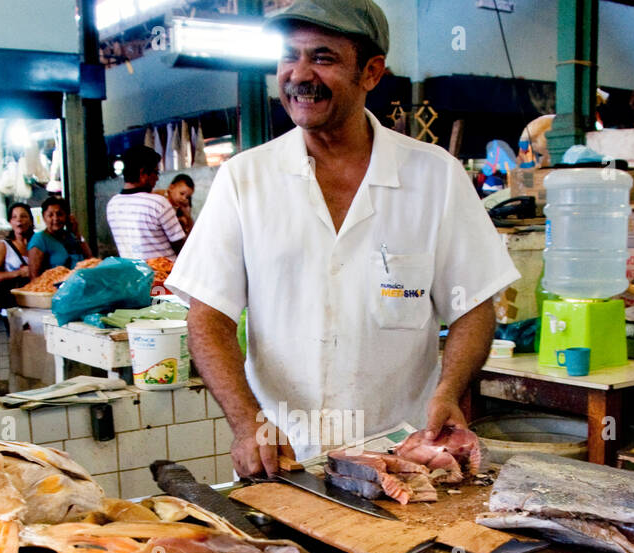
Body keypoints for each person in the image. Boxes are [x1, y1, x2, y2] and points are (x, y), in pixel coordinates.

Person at [165, 0, 518, 477]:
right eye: (289, 56)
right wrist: (249, 425)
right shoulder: (245, 180)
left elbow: (474, 307)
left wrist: (448, 392)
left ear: (371, 73)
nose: (299, 74)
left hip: (404, 458)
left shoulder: (435, 177)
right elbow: (207, 320)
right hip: (285, 460)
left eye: (323, 58)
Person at [106, 145, 186, 260]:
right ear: (143, 173)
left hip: (134, 274)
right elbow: (180, 246)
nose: (157, 179)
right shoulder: (158, 203)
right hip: (164, 274)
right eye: (156, 173)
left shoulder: (112, 204)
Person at [27, 196, 92, 275]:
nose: (56, 218)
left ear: (67, 216)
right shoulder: (39, 239)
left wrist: (77, 233)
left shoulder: (71, 236)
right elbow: (34, 277)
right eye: (50, 215)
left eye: (59, 214)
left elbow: (90, 259)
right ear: (44, 217)